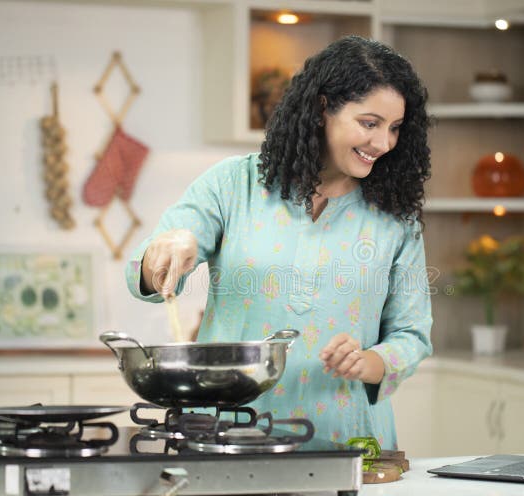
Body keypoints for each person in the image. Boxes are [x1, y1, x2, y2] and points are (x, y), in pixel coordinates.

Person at [126, 35, 433, 449]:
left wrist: (368, 362)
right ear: (323, 109)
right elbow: (153, 266)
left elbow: (412, 335)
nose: (383, 143)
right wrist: (170, 247)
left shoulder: (395, 214)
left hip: (348, 440)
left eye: (395, 128)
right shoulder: (235, 184)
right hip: (227, 436)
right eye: (369, 123)